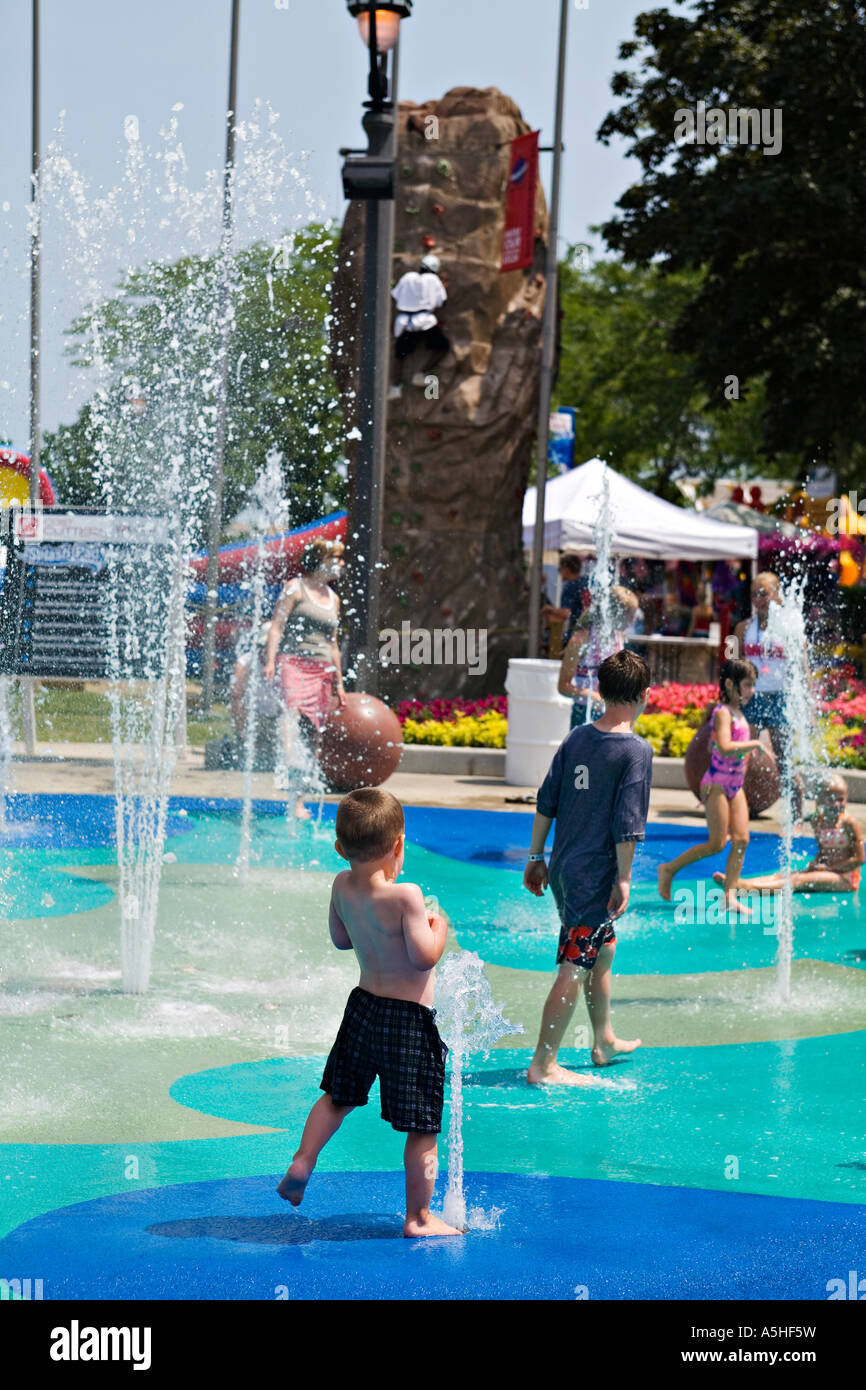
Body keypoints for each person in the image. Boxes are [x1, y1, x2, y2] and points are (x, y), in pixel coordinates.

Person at [277, 788, 461, 1238]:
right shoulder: (407, 896)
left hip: (363, 1008)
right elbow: (423, 958)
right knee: (421, 1126)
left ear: (340, 848)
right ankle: (418, 1218)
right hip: (409, 1022)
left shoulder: (340, 884)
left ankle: (303, 1160)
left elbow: (341, 940)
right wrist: (439, 929)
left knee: (337, 1096)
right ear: (398, 846)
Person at [523, 650, 653, 1086]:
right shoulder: (635, 750)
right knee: (574, 963)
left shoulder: (577, 737)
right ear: (643, 696)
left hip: (563, 867)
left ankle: (604, 1039)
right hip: (594, 874)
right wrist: (623, 878)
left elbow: (548, 799)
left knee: (604, 948)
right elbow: (628, 823)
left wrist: (536, 857)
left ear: (599, 690)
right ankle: (544, 1064)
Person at [657, 659, 772, 916]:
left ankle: (729, 896)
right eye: (747, 685)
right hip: (717, 785)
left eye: (753, 685)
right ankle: (669, 869)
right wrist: (752, 745)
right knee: (717, 843)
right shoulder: (723, 713)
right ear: (730, 684)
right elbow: (723, 746)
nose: (751, 690)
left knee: (741, 840)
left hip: (735, 786)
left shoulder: (741, 714)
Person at [264, 539, 347, 818]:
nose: (342, 563)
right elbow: (277, 626)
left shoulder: (334, 599)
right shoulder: (295, 588)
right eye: (337, 557)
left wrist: (339, 682)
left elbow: (333, 643)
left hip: (322, 668)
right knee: (292, 710)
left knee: (314, 732)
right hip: (293, 662)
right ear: (321, 560)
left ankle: (298, 801)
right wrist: (270, 660)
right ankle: (289, 758)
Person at [714, 772, 864, 896]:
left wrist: (827, 868)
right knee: (784, 874)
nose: (836, 804)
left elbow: (860, 858)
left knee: (799, 880)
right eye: (831, 800)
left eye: (841, 799)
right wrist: (817, 862)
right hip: (828, 870)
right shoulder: (819, 821)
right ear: (819, 800)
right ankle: (737, 882)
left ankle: (749, 888)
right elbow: (824, 851)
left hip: (846, 877)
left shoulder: (849, 823)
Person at [557, 586, 639, 728]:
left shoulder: (619, 637)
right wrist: (593, 696)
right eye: (630, 615)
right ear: (614, 613)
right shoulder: (581, 639)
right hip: (584, 715)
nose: (632, 620)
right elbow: (563, 686)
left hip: (614, 717)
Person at [389, 254, 450, 399]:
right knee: (442, 347)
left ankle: (395, 387)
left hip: (404, 321)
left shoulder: (407, 277)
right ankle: (422, 373)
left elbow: (395, 295)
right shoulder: (433, 280)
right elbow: (442, 301)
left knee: (400, 356)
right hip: (424, 321)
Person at [541, 552, 585, 646]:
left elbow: (567, 613)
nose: (559, 573)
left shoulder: (570, 586)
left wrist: (550, 609)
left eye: (559, 569)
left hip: (576, 636)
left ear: (566, 569)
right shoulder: (586, 582)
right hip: (589, 634)